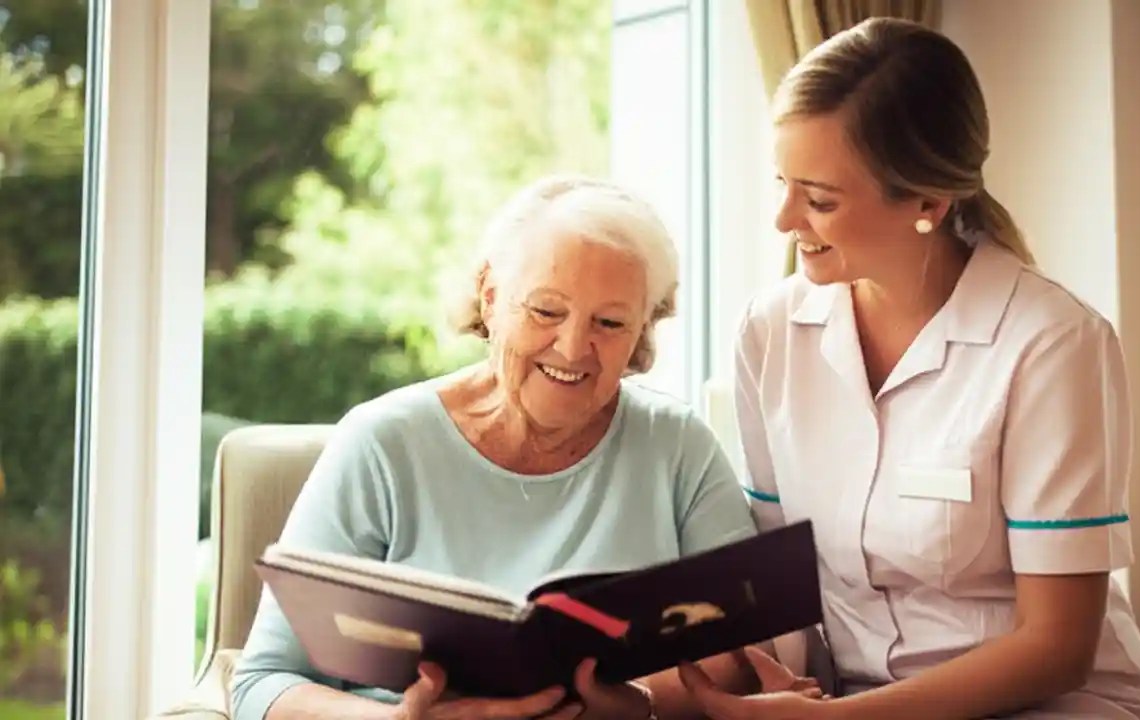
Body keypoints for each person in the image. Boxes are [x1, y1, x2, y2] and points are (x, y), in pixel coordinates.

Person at [678, 17, 1140, 720]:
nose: (784, 218)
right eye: (782, 184)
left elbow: (1058, 648)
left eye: (819, 199)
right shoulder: (770, 333)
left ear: (928, 203)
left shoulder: (1050, 343)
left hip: (1058, 705)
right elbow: (780, 584)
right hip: (848, 700)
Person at [229, 175, 816, 720]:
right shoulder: (382, 443)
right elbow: (264, 682)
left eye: (610, 323)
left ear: (643, 330)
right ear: (489, 296)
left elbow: (741, 662)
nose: (572, 346)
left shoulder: (678, 445)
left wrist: (624, 706)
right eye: (546, 310)